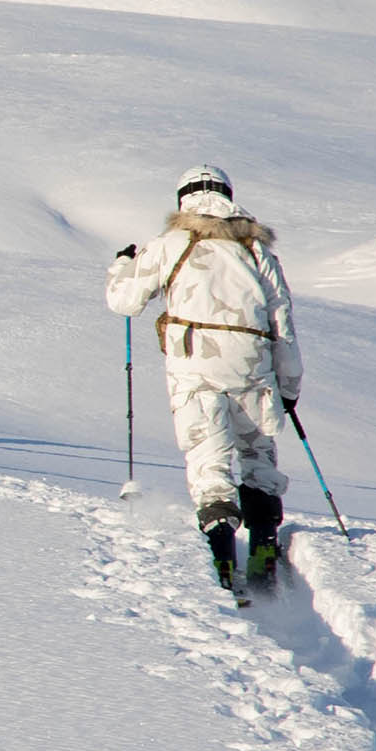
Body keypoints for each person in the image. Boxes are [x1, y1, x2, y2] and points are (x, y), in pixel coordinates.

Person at [107, 163, 303, 594]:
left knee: (208, 455)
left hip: (195, 361)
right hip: (253, 362)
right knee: (257, 453)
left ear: (183, 199)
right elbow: (282, 324)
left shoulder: (173, 243)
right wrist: (288, 388)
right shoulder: (256, 250)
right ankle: (264, 547)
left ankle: (221, 556)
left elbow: (124, 301)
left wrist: (124, 265)